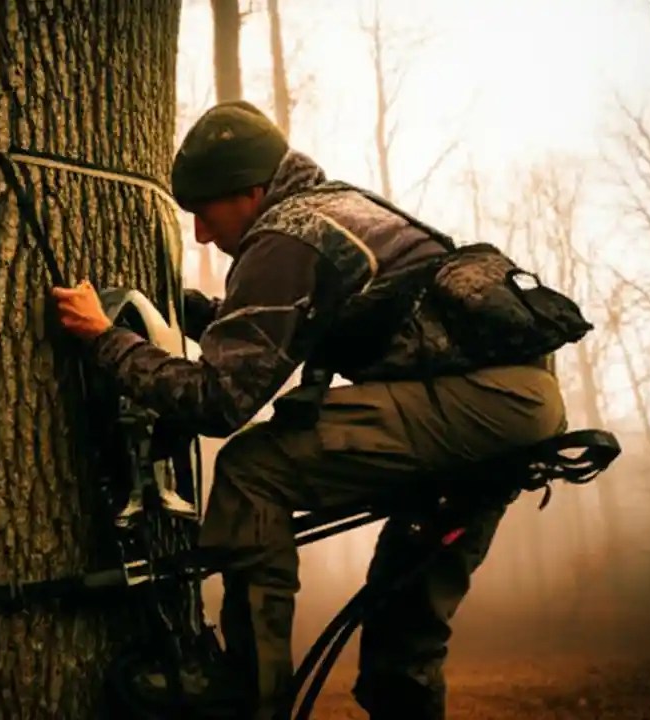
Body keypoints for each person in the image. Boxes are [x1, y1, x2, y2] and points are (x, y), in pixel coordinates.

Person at [50, 101, 568, 720]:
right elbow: (280, 335)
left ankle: (245, 687)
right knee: (401, 646)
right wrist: (187, 309)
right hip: (517, 408)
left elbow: (220, 401)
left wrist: (105, 338)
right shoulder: (336, 208)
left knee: (253, 469)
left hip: (479, 404)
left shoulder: (285, 237)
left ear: (250, 191)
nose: (201, 235)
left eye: (205, 212)